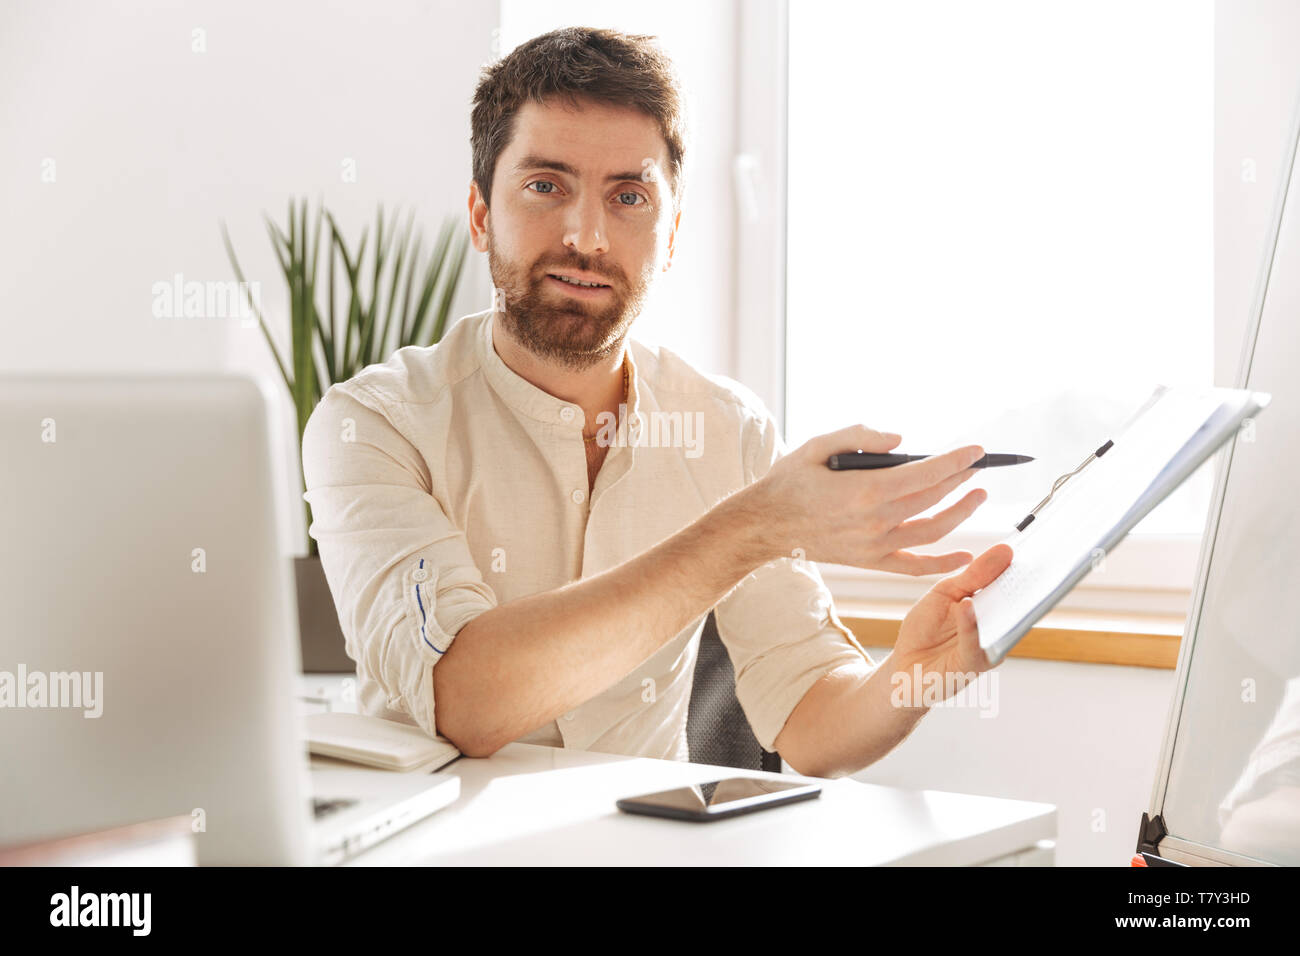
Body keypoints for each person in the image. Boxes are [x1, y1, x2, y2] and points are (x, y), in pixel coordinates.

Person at [302, 26, 1013, 778]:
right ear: (481, 215)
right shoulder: (372, 425)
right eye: (546, 186)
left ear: (670, 235)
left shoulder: (726, 429)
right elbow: (467, 702)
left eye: (628, 196)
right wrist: (751, 528)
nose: (587, 236)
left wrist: (914, 674)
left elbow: (806, 715)